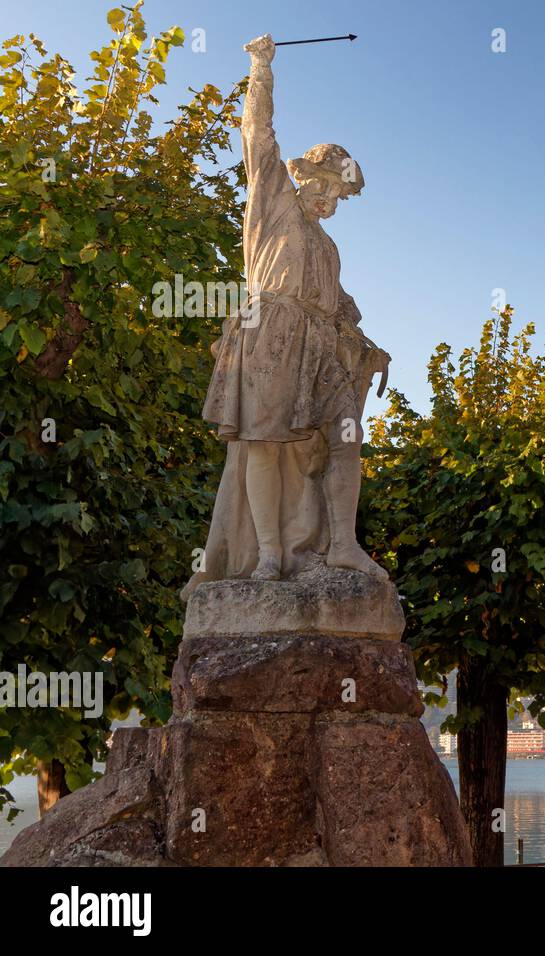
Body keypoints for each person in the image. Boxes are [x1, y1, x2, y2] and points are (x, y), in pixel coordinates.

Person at [184, 33, 389, 596]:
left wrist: (360, 336)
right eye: (327, 188)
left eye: (339, 198)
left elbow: (340, 302)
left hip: (321, 346)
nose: (331, 202)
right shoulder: (271, 202)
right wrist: (261, 69)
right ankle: (270, 556)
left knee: (347, 435)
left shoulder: (327, 246)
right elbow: (257, 134)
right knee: (263, 443)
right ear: (306, 176)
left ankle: (342, 544)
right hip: (268, 332)